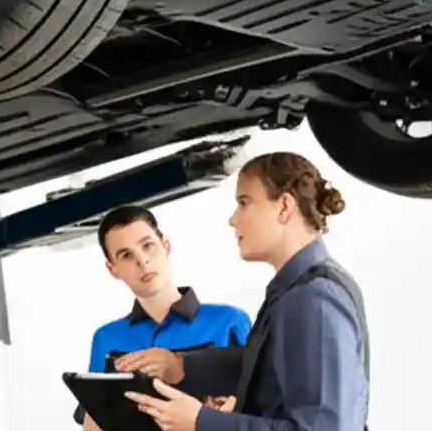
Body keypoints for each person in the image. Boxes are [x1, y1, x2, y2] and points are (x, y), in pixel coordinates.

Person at [124, 152, 370, 431]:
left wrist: (202, 422)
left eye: (244, 203)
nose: (233, 219)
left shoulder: (314, 298)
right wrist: (180, 367)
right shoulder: (296, 291)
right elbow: (264, 365)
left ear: (284, 206)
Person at [77, 205, 252, 430]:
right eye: (126, 255)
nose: (142, 261)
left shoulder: (229, 322)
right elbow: (93, 421)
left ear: (165, 245)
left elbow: (267, 403)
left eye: (147, 246)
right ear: (113, 269)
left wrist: (231, 409)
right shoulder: (106, 339)